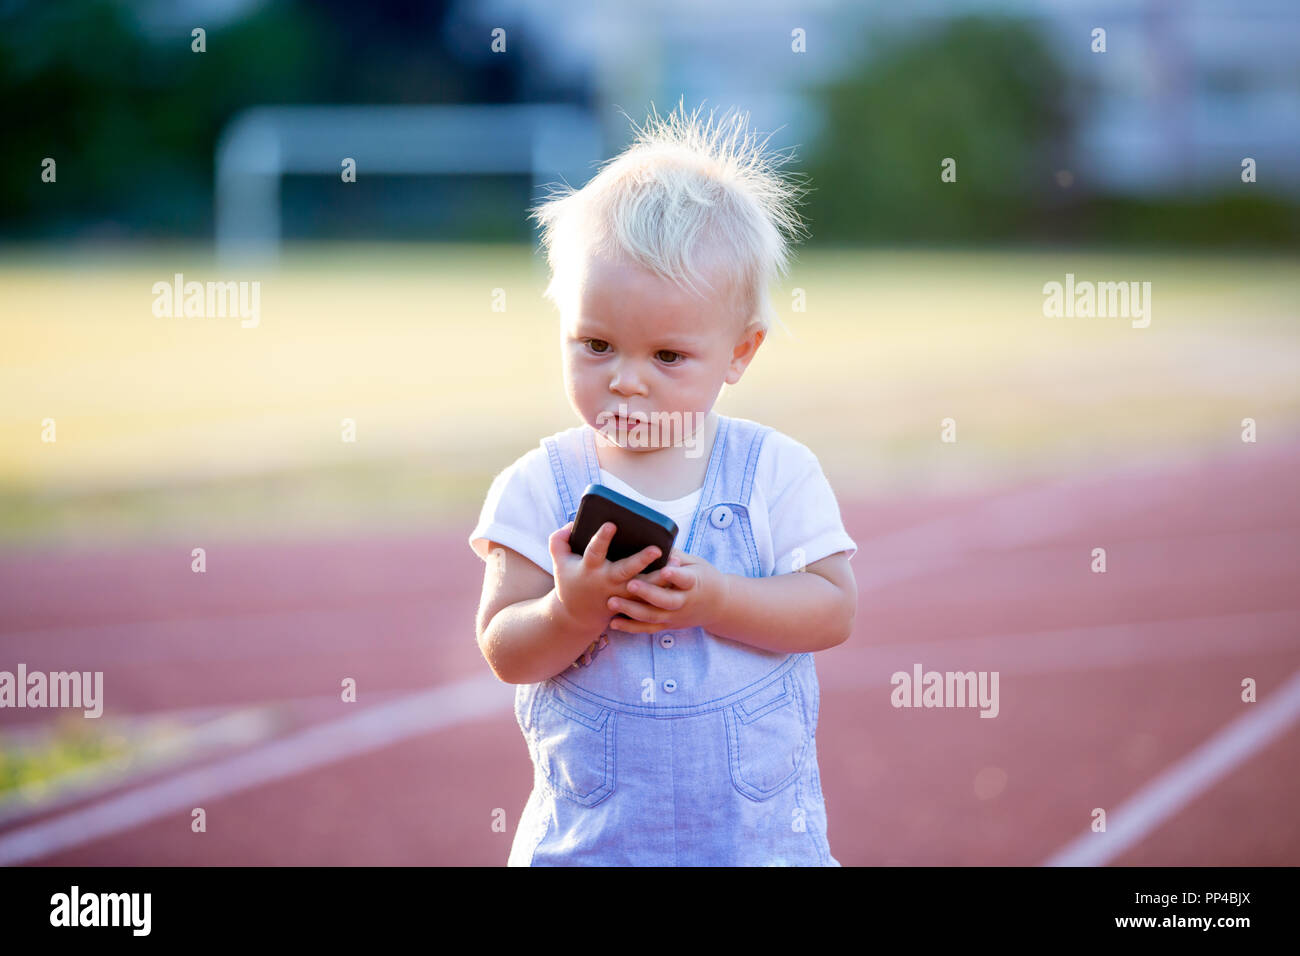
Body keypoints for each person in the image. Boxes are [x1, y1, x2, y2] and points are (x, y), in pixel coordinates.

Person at [467, 100, 858, 865]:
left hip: (754, 845)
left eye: (668, 357)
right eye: (596, 344)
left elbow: (833, 610)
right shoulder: (538, 486)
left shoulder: (775, 474)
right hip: (593, 847)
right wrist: (568, 610)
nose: (627, 382)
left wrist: (719, 598)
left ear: (740, 354)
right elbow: (505, 648)